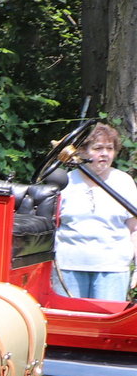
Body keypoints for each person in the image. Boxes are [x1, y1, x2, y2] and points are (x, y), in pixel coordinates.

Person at [53, 122, 137, 301]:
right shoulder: (65, 182)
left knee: (106, 325)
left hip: (112, 269)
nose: (105, 154)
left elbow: (135, 229)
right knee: (71, 324)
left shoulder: (124, 182)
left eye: (110, 148)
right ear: (82, 151)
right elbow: (52, 225)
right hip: (68, 266)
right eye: (98, 148)